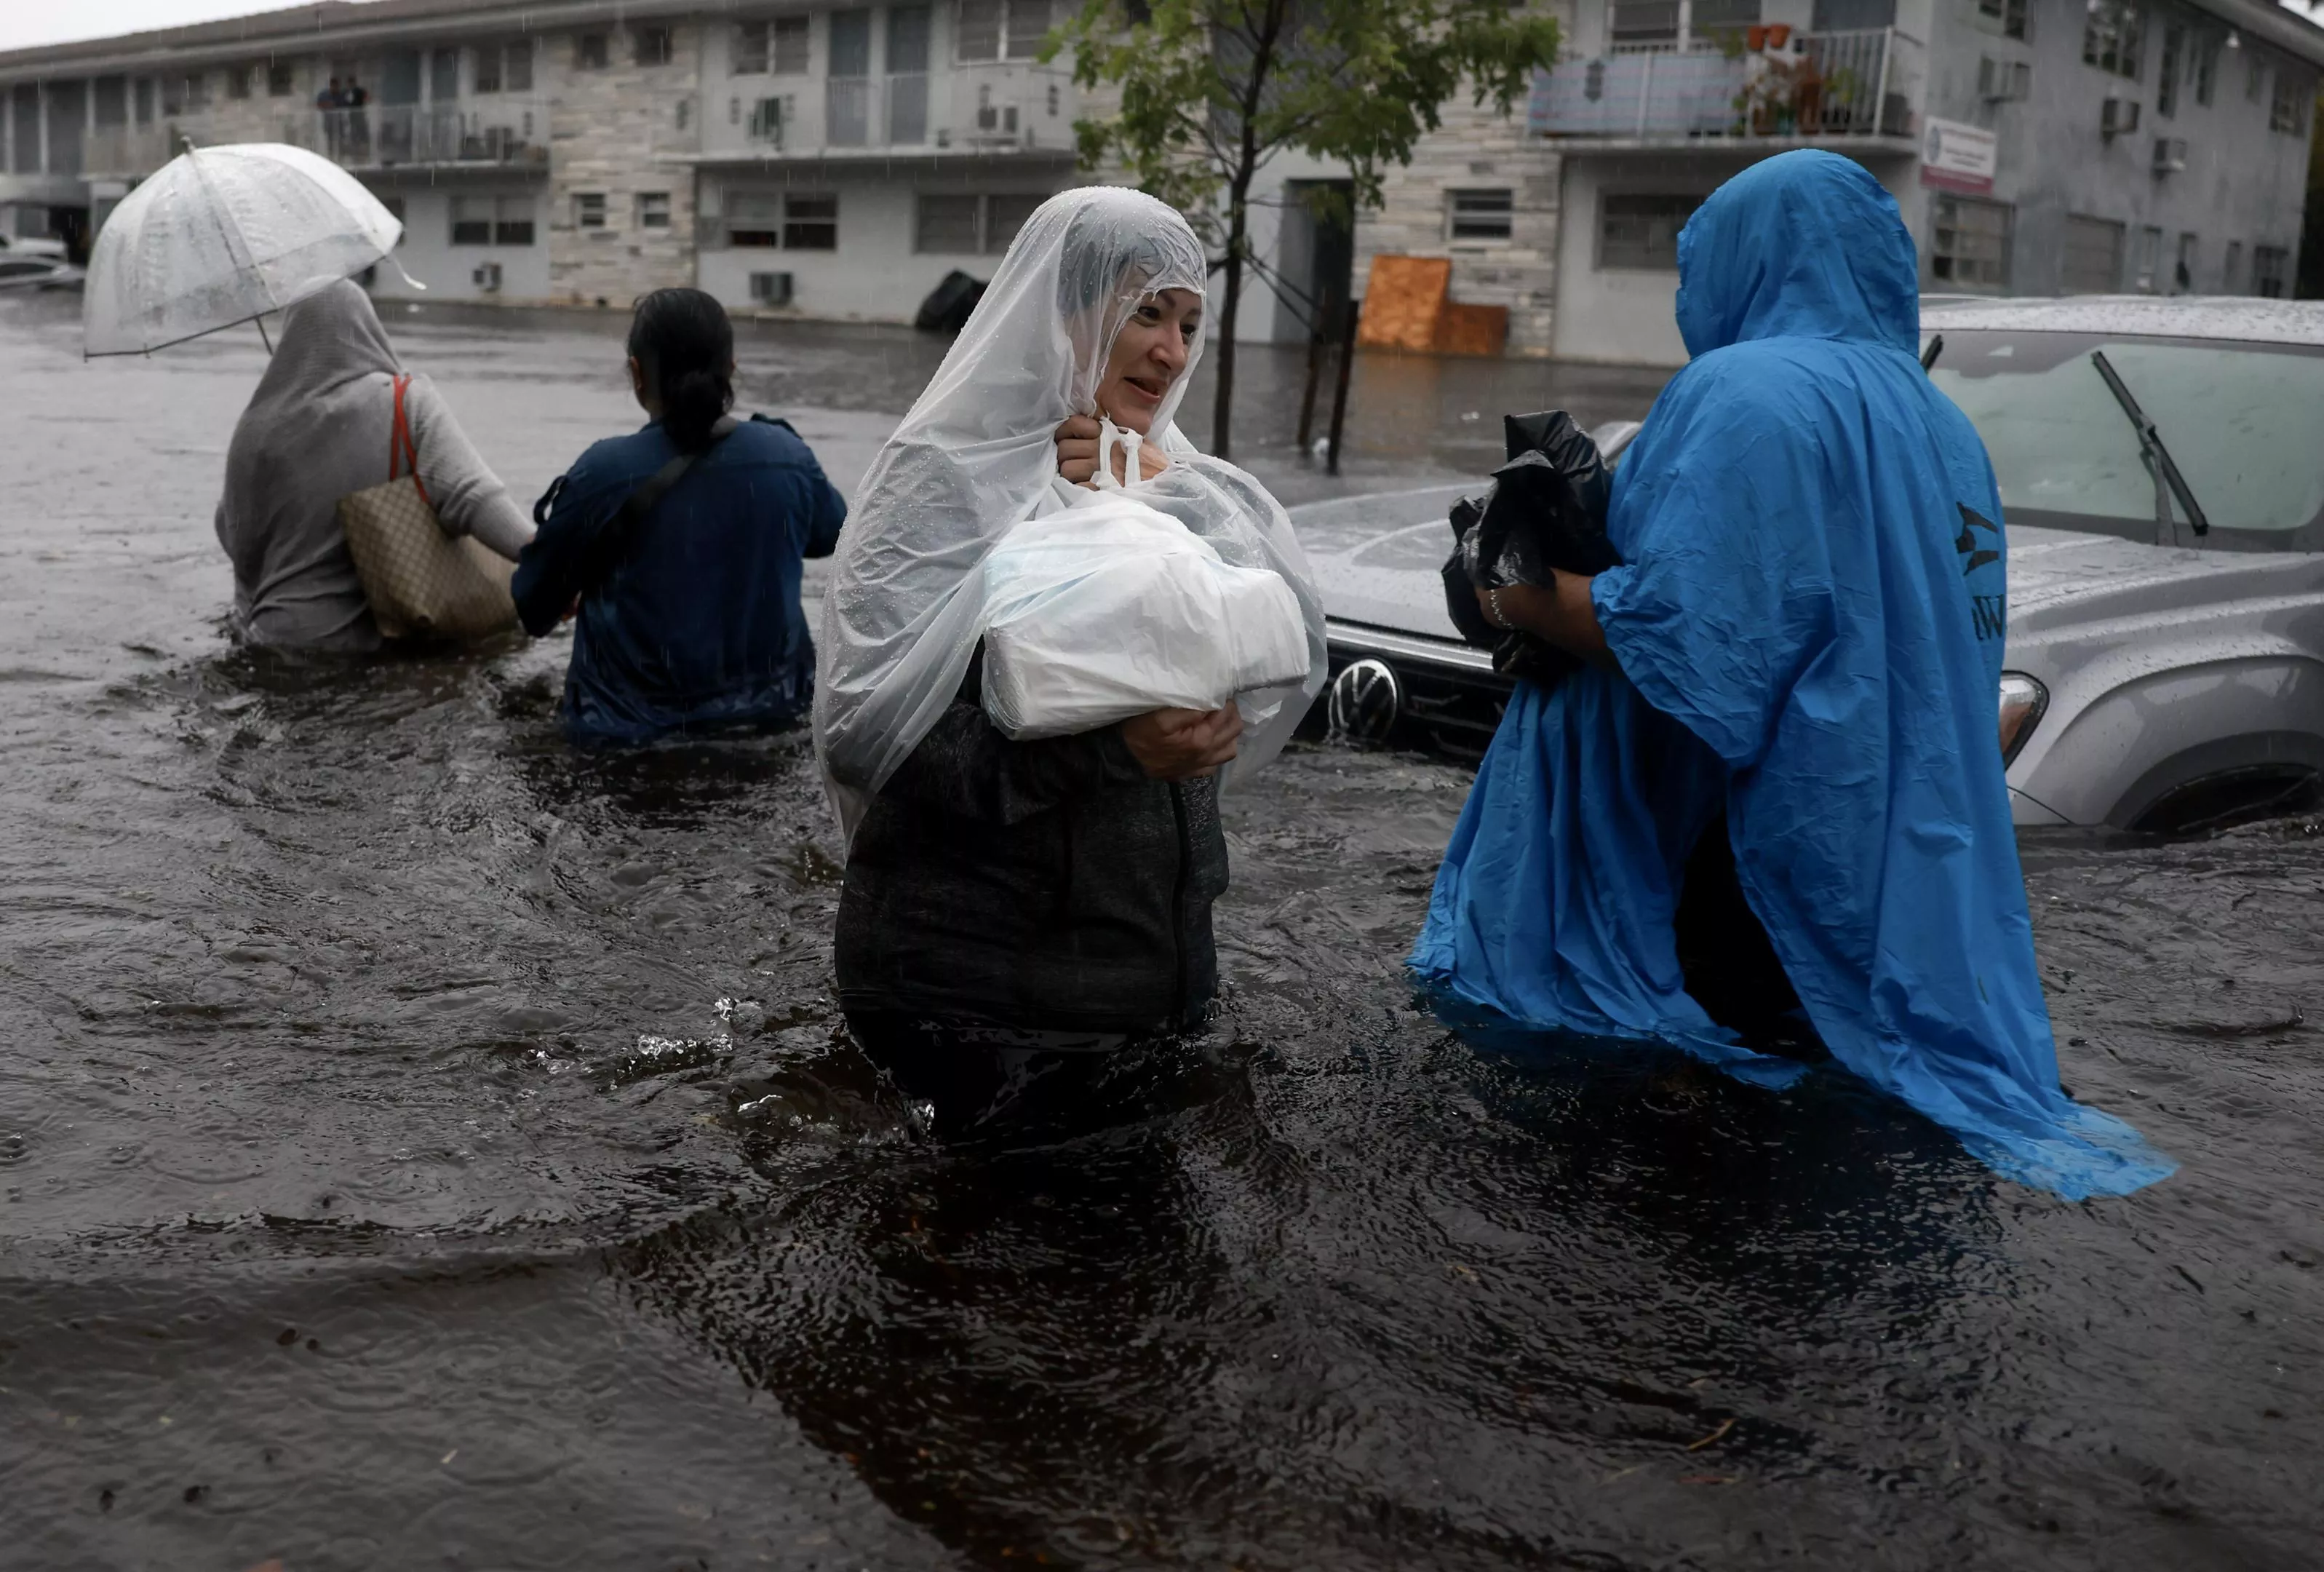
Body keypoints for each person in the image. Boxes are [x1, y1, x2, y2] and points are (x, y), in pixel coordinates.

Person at [1409, 151, 2172, 1200]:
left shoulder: (1738, 390)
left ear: (1748, 259)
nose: (1688, 294)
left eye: (1698, 262)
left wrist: (1508, 591)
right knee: (1837, 1152)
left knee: (1672, 1164)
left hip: (1726, 846)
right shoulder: (1940, 424)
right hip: (1884, 865)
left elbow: (1683, 638)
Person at [815, 186, 1326, 1130]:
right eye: (1144, 312)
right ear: (1064, 311)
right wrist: (1113, 755)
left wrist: (1150, 490)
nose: (1170, 351)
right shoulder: (943, 482)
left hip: (1141, 986)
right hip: (981, 1000)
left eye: (1188, 322)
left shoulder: (1159, 476)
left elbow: (1294, 638)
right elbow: (865, 738)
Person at [512, 287, 847, 744]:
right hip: (772, 721)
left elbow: (533, 608)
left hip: (623, 736)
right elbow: (831, 534)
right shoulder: (786, 455)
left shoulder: (602, 473)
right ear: (731, 369)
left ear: (636, 374)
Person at [214, 278, 533, 654]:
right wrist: (553, 561)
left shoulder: (254, 428)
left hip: (264, 639)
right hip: (356, 650)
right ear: (365, 326)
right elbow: (472, 497)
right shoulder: (402, 401)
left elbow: (229, 532)